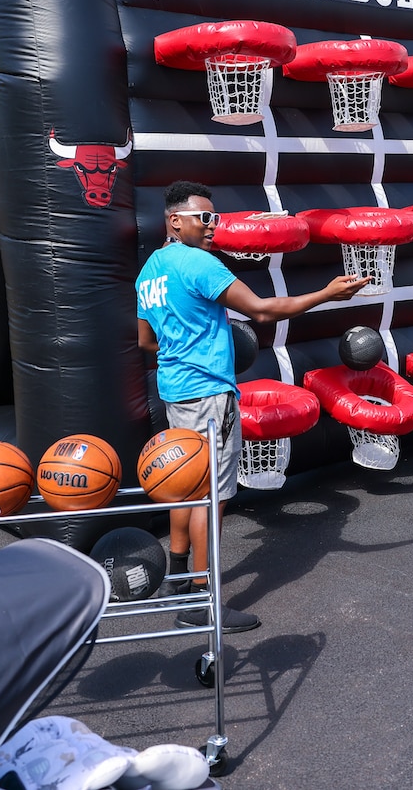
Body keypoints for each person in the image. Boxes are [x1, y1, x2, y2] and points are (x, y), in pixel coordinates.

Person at [137, 181, 371, 630]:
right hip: (208, 395)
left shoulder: (150, 269)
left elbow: (146, 341)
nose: (213, 227)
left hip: (174, 390)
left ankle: (177, 579)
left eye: (216, 218)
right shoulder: (199, 264)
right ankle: (204, 604)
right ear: (175, 220)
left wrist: (183, 345)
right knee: (212, 499)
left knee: (182, 482)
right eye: (204, 218)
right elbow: (263, 310)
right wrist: (326, 294)